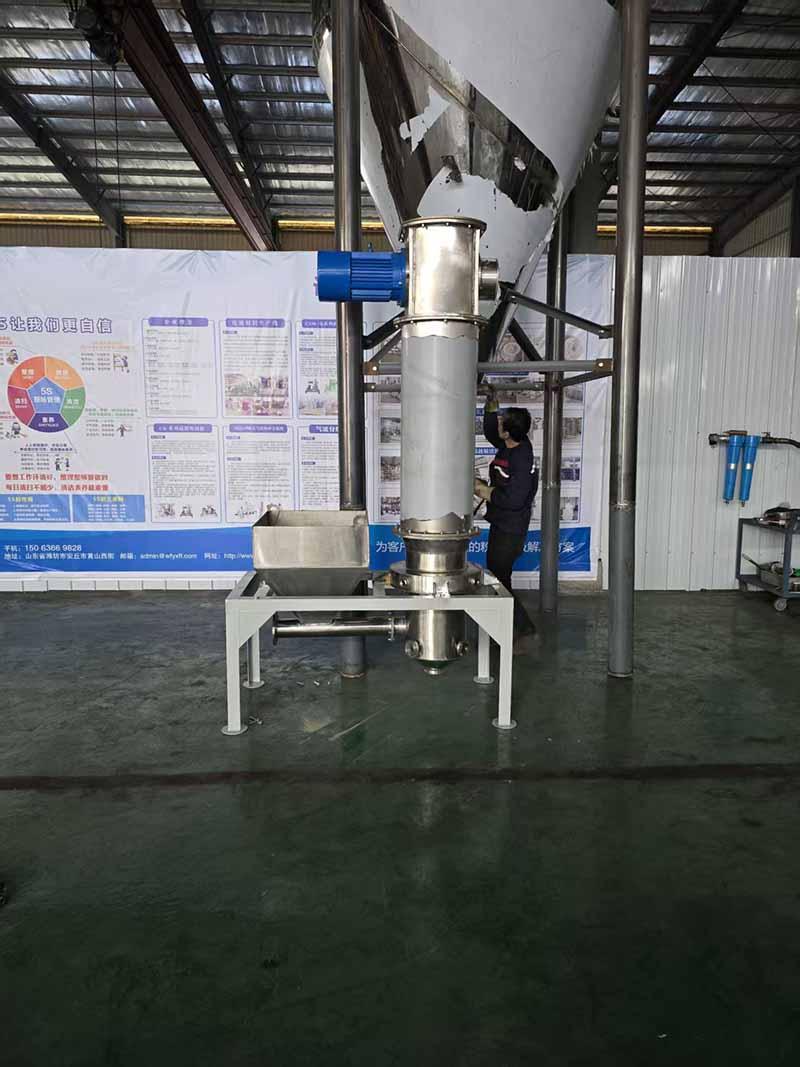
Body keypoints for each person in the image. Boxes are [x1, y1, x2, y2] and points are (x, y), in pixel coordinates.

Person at [474, 388, 539, 640]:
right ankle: (514, 623)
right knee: (497, 573)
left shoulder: (522, 457)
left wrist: (483, 491)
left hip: (511, 527)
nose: (499, 423)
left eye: (502, 421)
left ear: (509, 432)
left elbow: (514, 499)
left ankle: (521, 626)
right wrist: (491, 405)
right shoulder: (508, 444)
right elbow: (491, 432)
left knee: (499, 576)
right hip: (500, 522)